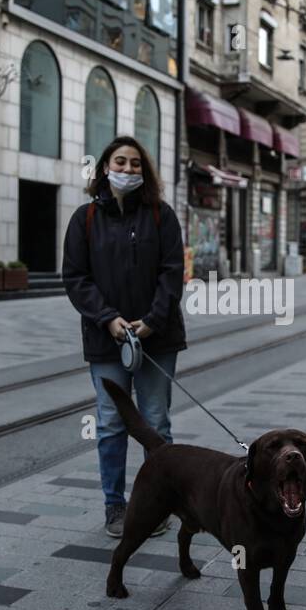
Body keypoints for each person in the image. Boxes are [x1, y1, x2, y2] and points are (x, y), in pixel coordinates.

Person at [62, 135, 186, 537]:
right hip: (106, 340)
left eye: (135, 164)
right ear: (104, 168)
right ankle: (115, 508)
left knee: (156, 424)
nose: (128, 169)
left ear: (144, 172)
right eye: (120, 162)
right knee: (112, 424)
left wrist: (151, 320)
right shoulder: (84, 219)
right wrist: (108, 318)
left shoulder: (160, 216)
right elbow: (76, 278)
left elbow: (171, 273)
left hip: (157, 337)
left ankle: (157, 506)